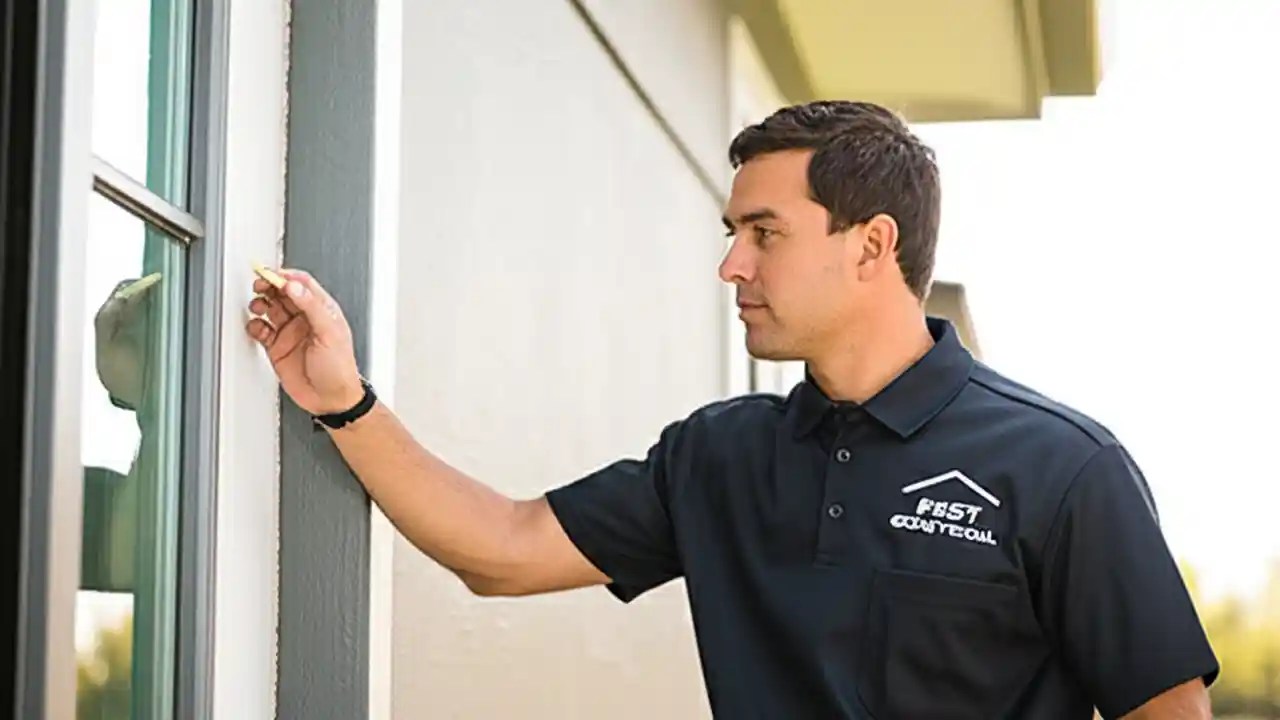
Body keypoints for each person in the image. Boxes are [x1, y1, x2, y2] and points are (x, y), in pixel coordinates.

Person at [246, 101, 1218, 719]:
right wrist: (343, 400)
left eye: (763, 233)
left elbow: (1161, 709)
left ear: (871, 246)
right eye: (731, 232)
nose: (730, 266)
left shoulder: (1058, 466)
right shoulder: (717, 456)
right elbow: (498, 548)